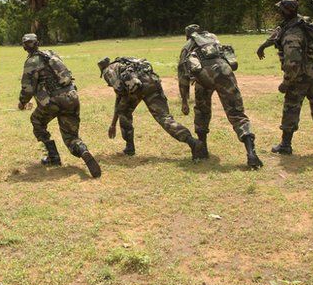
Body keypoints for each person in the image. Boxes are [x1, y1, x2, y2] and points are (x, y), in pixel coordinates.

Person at [178, 25, 263, 169]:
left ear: (188, 35)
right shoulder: (213, 38)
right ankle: (251, 153)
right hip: (225, 73)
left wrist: (184, 101)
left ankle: (202, 149)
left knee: (202, 112)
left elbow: (183, 77)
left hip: (204, 77)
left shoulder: (188, 46)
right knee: (236, 113)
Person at [17, 33, 101, 178]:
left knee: (37, 121)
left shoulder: (31, 62)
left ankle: (52, 156)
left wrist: (22, 102)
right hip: (71, 97)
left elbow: (28, 88)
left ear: (24, 47)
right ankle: (82, 150)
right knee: (71, 136)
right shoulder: (51, 54)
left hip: (52, 102)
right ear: (38, 43)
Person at [260, 0, 313, 155]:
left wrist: (286, 83)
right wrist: (263, 46)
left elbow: (292, 63)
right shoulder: (303, 23)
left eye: (281, 9)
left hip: (300, 76)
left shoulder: (293, 34)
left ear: (287, 11)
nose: (279, 12)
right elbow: (277, 33)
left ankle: (285, 145)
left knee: (291, 107)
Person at [99, 56, 207, 160]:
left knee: (123, 113)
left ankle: (129, 148)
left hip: (138, 89)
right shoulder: (124, 63)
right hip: (153, 83)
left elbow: (121, 93)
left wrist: (113, 123)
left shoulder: (108, 71)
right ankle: (193, 142)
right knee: (164, 118)